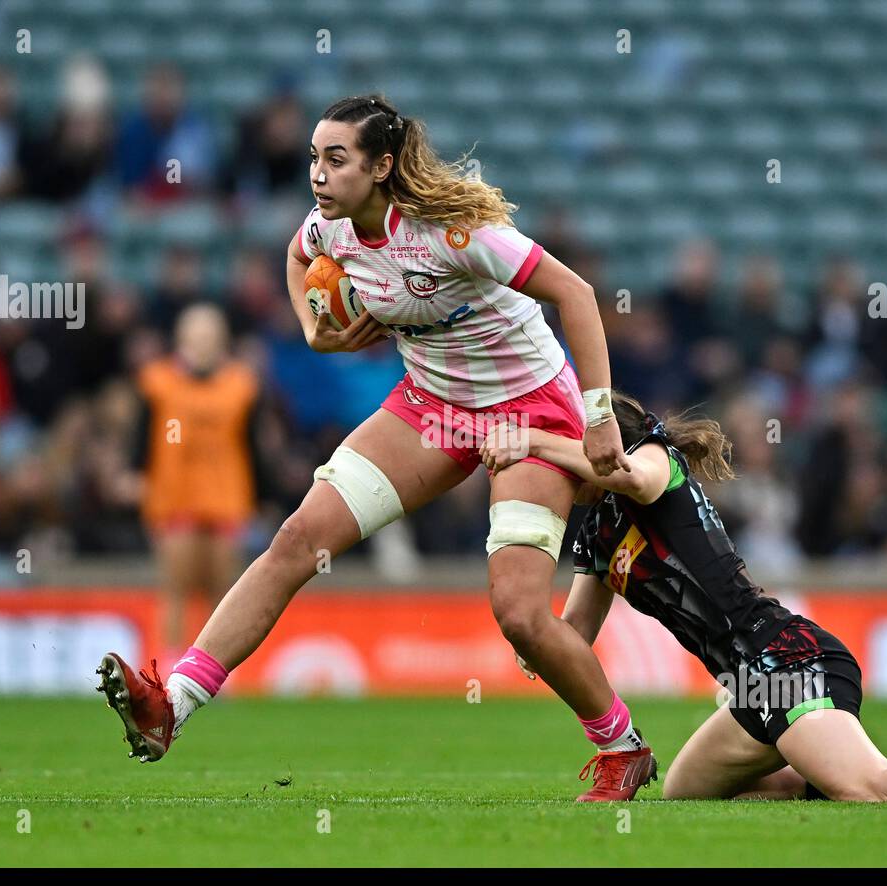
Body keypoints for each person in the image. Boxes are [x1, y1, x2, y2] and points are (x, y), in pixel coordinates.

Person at [99, 93, 656, 801]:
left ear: (382, 166)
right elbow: (295, 256)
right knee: (298, 538)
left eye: (336, 159)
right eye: (312, 158)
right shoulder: (327, 227)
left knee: (518, 613)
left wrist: (598, 414)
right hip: (430, 406)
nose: (318, 175)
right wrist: (313, 328)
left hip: (528, 410)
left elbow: (575, 294)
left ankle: (622, 746)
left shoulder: (453, 234)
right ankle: (169, 707)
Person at [479, 391, 887, 802]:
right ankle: (815, 778)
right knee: (684, 795)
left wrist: (531, 440)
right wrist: (533, 637)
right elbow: (575, 634)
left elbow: (621, 469)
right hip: (748, 688)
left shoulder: (652, 465)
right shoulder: (596, 529)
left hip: (788, 662)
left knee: (878, 790)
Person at [130, 303, 261, 651]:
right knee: (176, 586)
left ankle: (213, 668)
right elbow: (143, 437)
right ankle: (171, 667)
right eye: (196, 336)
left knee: (222, 589)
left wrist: (264, 497)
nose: (203, 343)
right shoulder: (158, 382)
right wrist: (135, 475)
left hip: (226, 494)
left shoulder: (241, 386)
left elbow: (252, 445)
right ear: (181, 339)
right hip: (174, 494)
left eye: (210, 336)